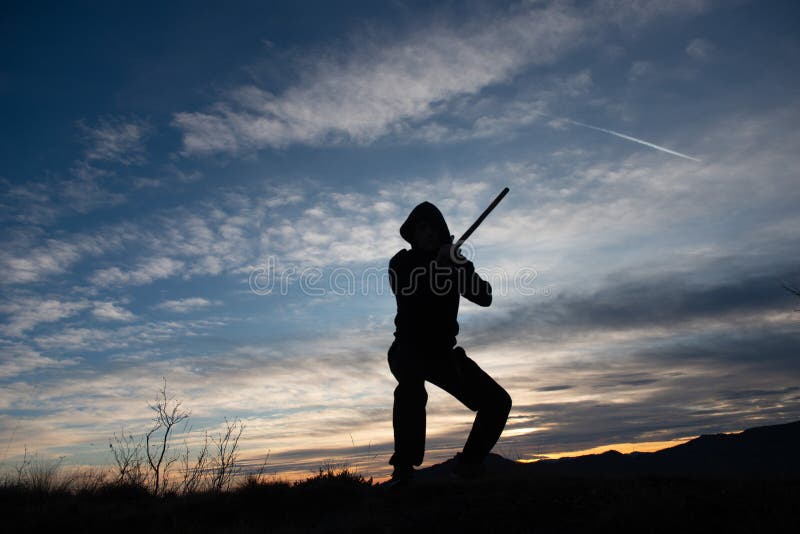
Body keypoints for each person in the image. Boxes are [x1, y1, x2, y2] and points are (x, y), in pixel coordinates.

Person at [386, 201, 512, 484]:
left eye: (433, 227)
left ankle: (469, 466)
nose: (428, 232)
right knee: (411, 387)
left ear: (442, 231)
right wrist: (438, 265)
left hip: (443, 353)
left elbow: (484, 296)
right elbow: (407, 290)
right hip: (408, 348)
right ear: (413, 234)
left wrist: (456, 265)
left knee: (498, 402)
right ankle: (403, 471)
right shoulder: (402, 262)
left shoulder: (456, 262)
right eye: (422, 227)